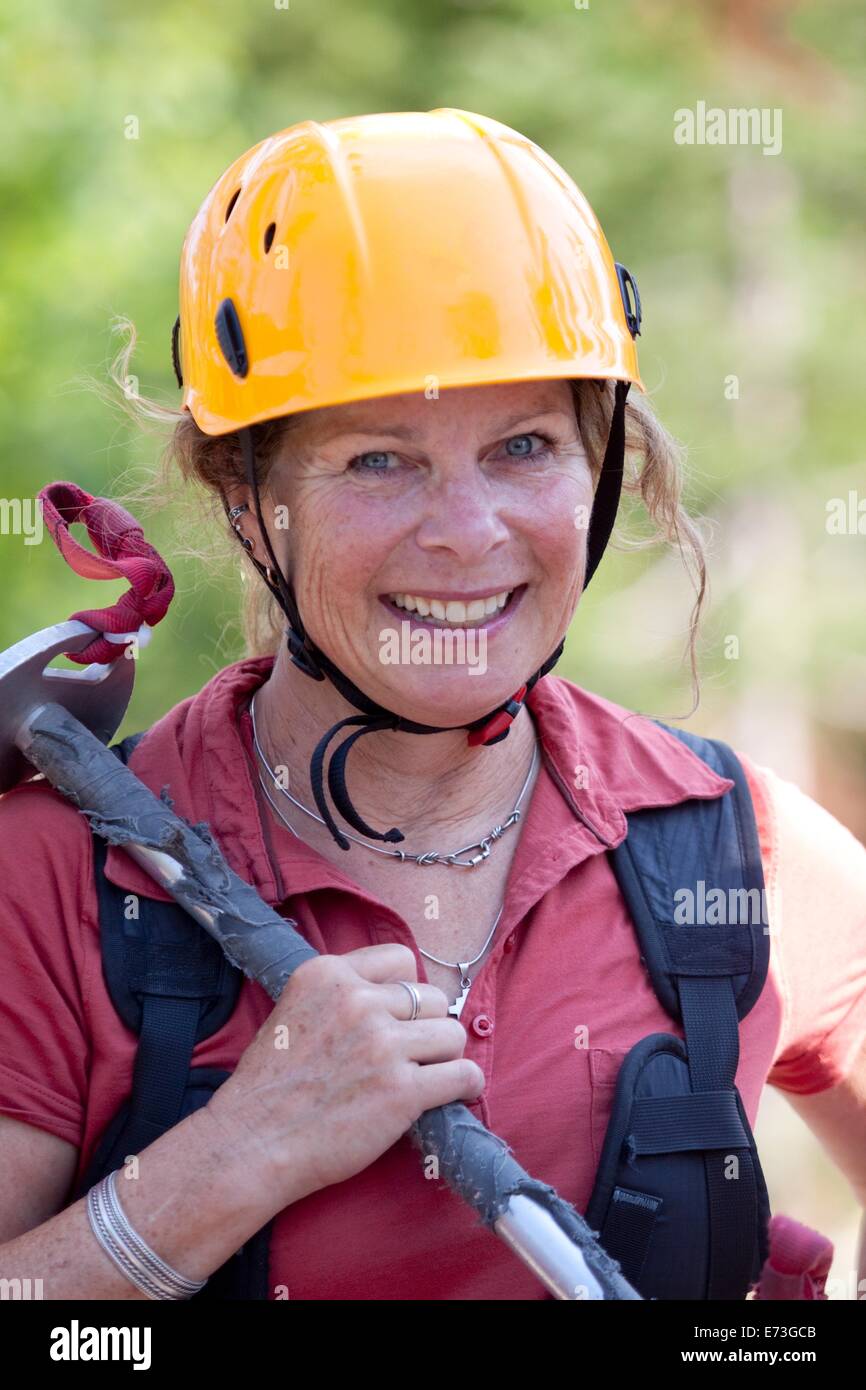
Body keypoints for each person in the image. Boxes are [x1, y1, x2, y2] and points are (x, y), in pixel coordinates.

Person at [0, 109, 864, 1302]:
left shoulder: (730, 847)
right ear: (246, 497)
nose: (466, 534)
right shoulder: (58, 881)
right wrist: (229, 1157)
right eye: (376, 460)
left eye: (521, 446)